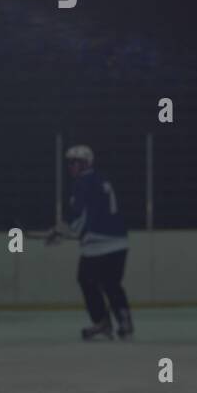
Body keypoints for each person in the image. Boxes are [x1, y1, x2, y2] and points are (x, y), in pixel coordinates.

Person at [49, 144, 134, 341]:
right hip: (119, 242)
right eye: (69, 163)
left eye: (75, 162)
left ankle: (102, 322)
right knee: (112, 284)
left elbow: (79, 217)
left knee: (87, 281)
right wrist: (64, 232)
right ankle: (124, 322)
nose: (71, 167)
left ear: (86, 163)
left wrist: (59, 233)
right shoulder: (100, 178)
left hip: (97, 245)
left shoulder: (83, 182)